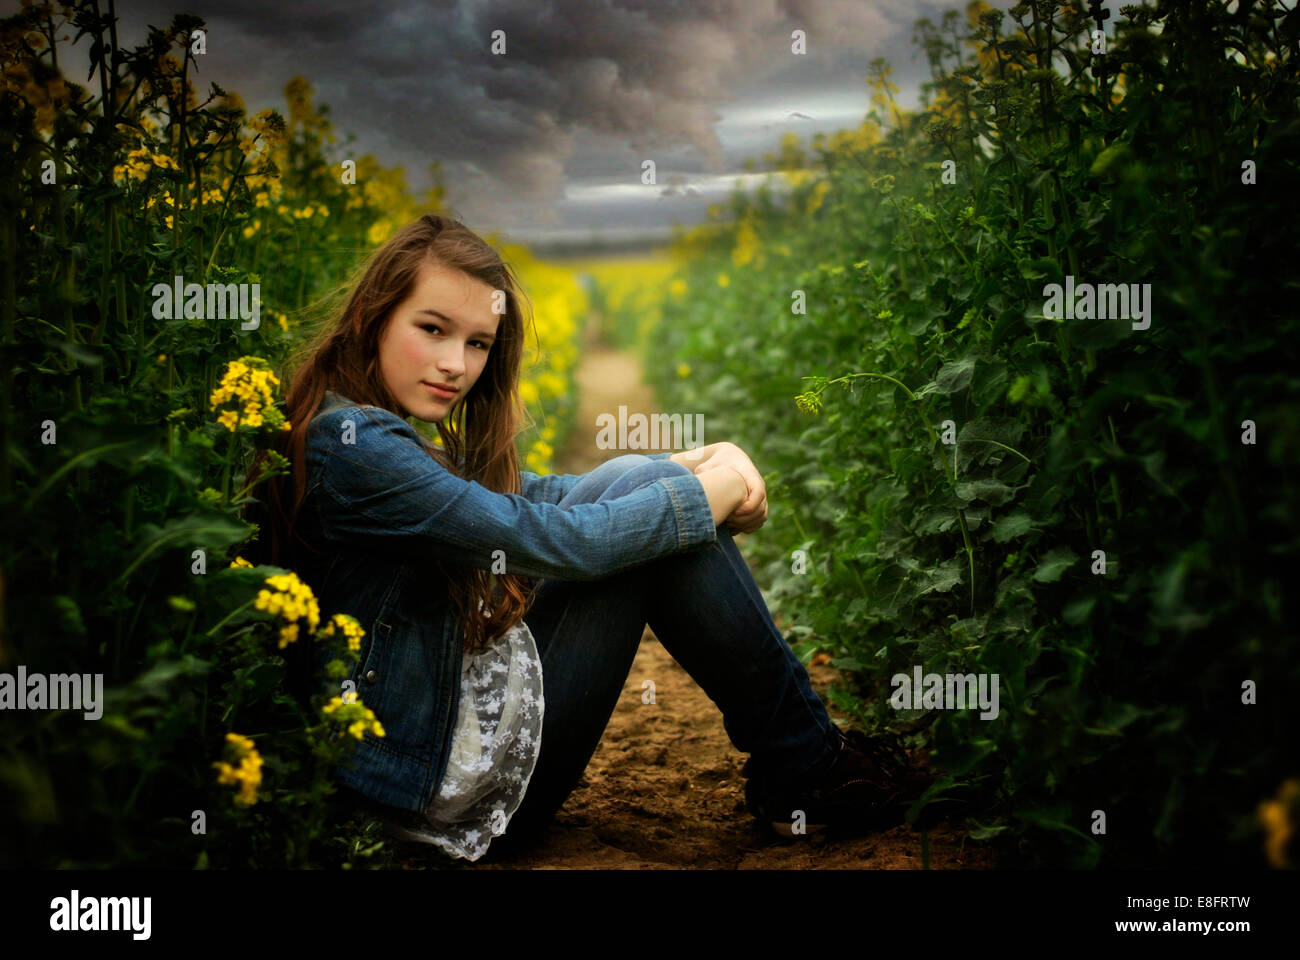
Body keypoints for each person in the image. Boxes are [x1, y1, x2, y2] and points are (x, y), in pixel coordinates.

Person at [244, 213, 932, 863]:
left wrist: (693, 465)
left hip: (429, 755)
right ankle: (812, 766)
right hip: (434, 798)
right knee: (659, 529)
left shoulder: (363, 427)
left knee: (646, 490)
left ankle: (807, 762)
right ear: (372, 316)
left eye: (477, 343)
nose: (456, 363)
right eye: (432, 329)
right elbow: (560, 541)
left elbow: (529, 496)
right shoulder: (354, 447)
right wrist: (701, 496)